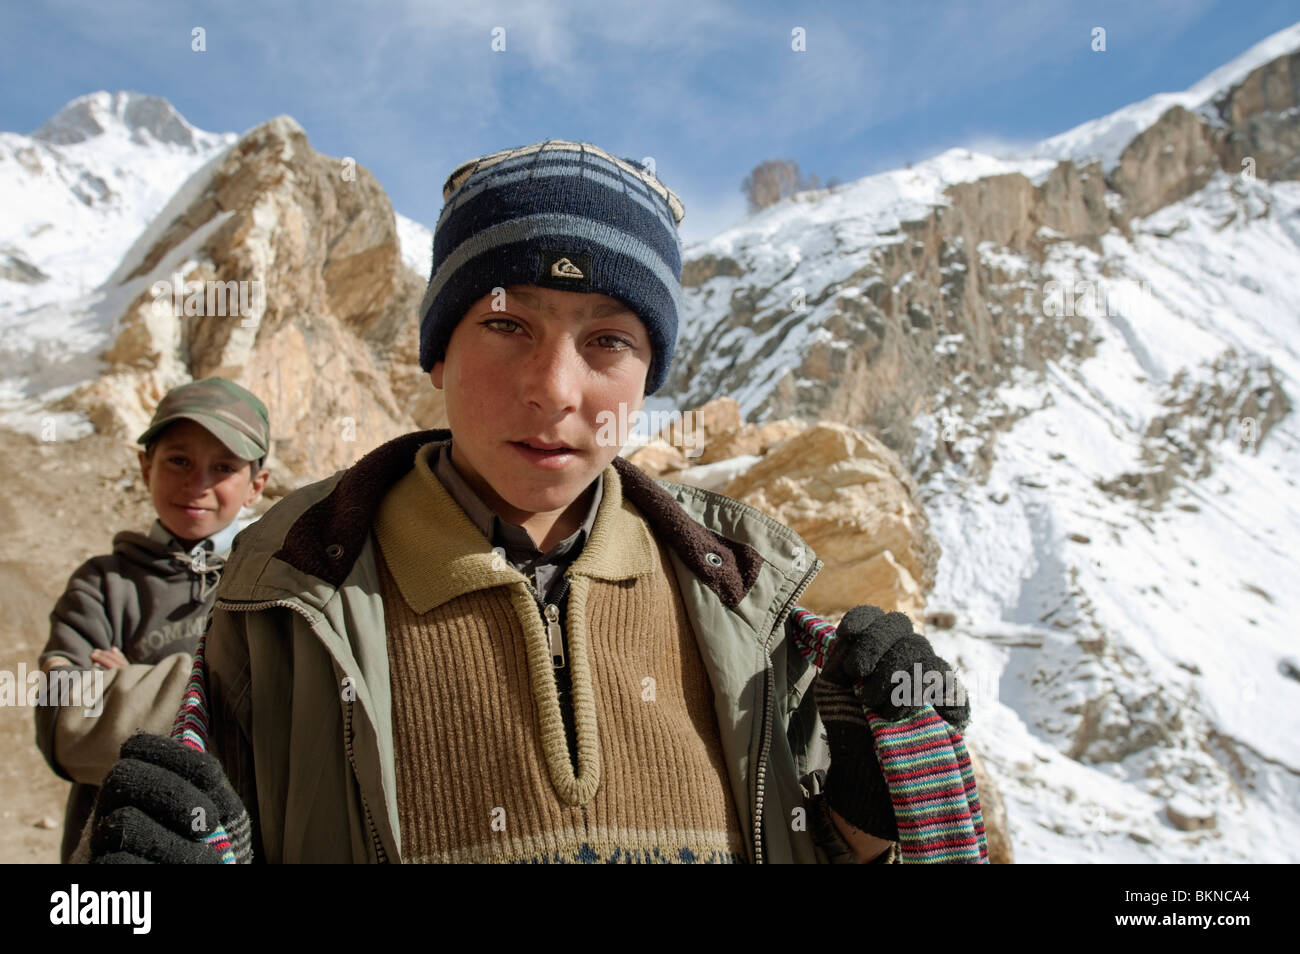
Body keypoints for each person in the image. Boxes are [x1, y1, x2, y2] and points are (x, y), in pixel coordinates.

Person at [84, 140, 975, 864]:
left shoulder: (744, 607)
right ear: (438, 354)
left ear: (648, 378)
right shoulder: (284, 601)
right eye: (507, 325)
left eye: (609, 341)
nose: (554, 389)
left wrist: (871, 817)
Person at [34, 377, 270, 862]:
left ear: (256, 486)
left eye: (223, 467)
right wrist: (227, 695)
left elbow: (287, 718)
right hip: (120, 846)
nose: (197, 483)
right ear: (146, 467)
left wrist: (125, 689)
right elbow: (63, 725)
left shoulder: (270, 582)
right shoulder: (103, 584)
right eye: (178, 460)